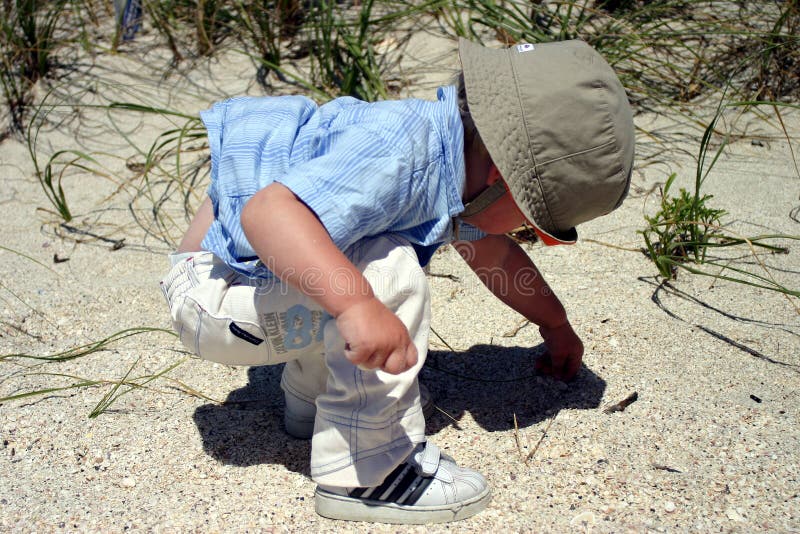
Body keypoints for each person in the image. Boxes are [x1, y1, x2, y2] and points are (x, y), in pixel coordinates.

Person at [160, 38, 634, 524]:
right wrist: (356, 306)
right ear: (502, 177)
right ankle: (369, 473)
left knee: (348, 267)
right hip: (216, 295)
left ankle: (312, 406)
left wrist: (554, 324)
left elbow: (495, 256)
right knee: (384, 270)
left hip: (258, 295)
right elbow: (268, 214)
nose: (523, 233)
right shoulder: (403, 152)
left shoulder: (454, 165)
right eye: (535, 225)